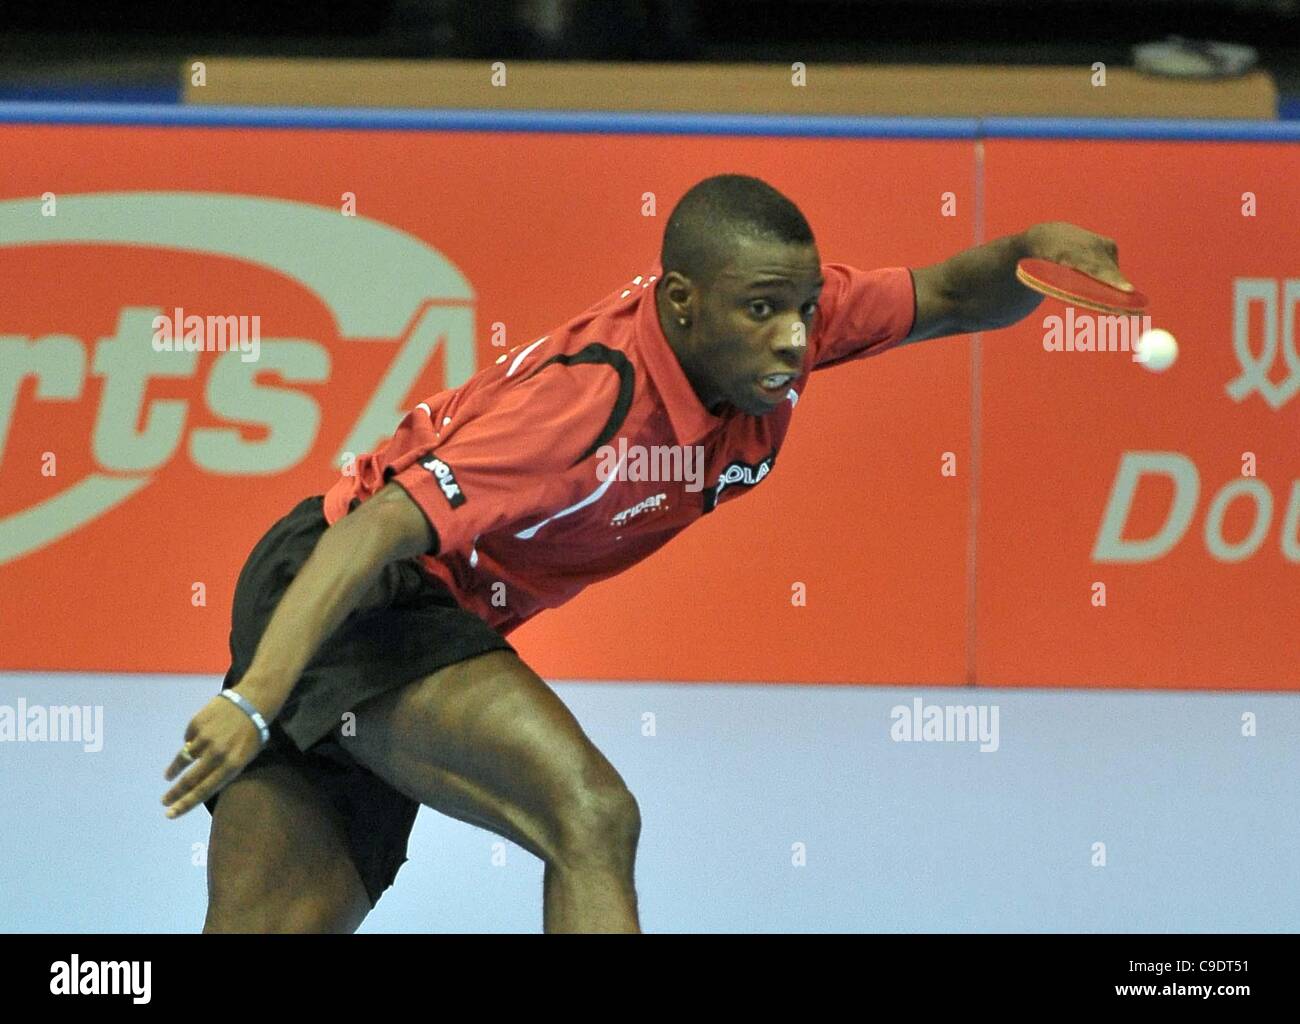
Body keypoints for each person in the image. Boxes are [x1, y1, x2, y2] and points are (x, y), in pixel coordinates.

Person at [161, 173, 1131, 933]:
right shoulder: (589, 404)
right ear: (680, 303)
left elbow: (955, 295)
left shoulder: (784, 323)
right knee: (589, 815)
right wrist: (252, 700)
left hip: (408, 618)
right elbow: (371, 530)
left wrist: (1029, 252)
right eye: (764, 312)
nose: (795, 339)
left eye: (801, 309)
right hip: (357, 597)